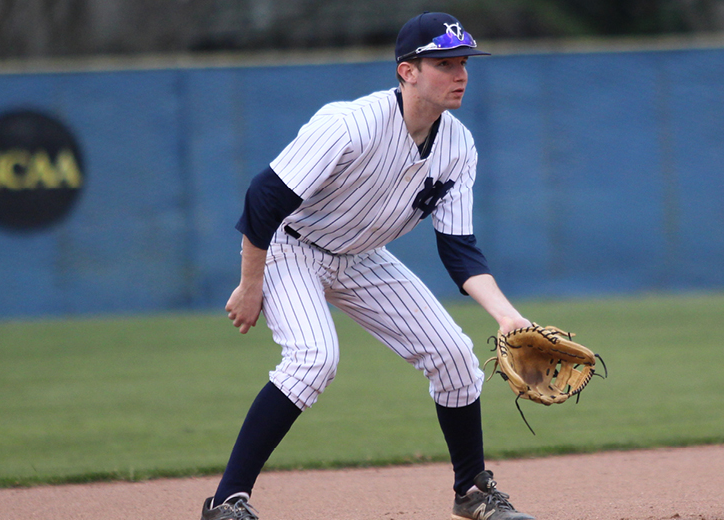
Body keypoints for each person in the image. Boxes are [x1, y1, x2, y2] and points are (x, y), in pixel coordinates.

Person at [202, 12, 536, 520]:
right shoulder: (348, 125)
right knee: (314, 359)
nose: (461, 74)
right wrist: (251, 284)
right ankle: (226, 501)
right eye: (444, 63)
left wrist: (506, 315)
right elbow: (263, 199)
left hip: (362, 256)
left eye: (463, 62)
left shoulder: (458, 146)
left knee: (455, 358)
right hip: (294, 247)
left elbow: (459, 247)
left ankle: (472, 492)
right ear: (408, 72)